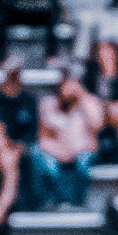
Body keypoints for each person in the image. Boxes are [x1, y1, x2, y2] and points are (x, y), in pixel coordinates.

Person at [32, 72, 104, 210]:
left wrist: (81, 96)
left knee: (83, 165)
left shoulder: (89, 101)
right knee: (43, 161)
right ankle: (51, 204)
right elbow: (42, 138)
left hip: (83, 151)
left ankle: (78, 204)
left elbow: (97, 124)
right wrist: (60, 151)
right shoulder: (48, 103)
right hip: (56, 151)